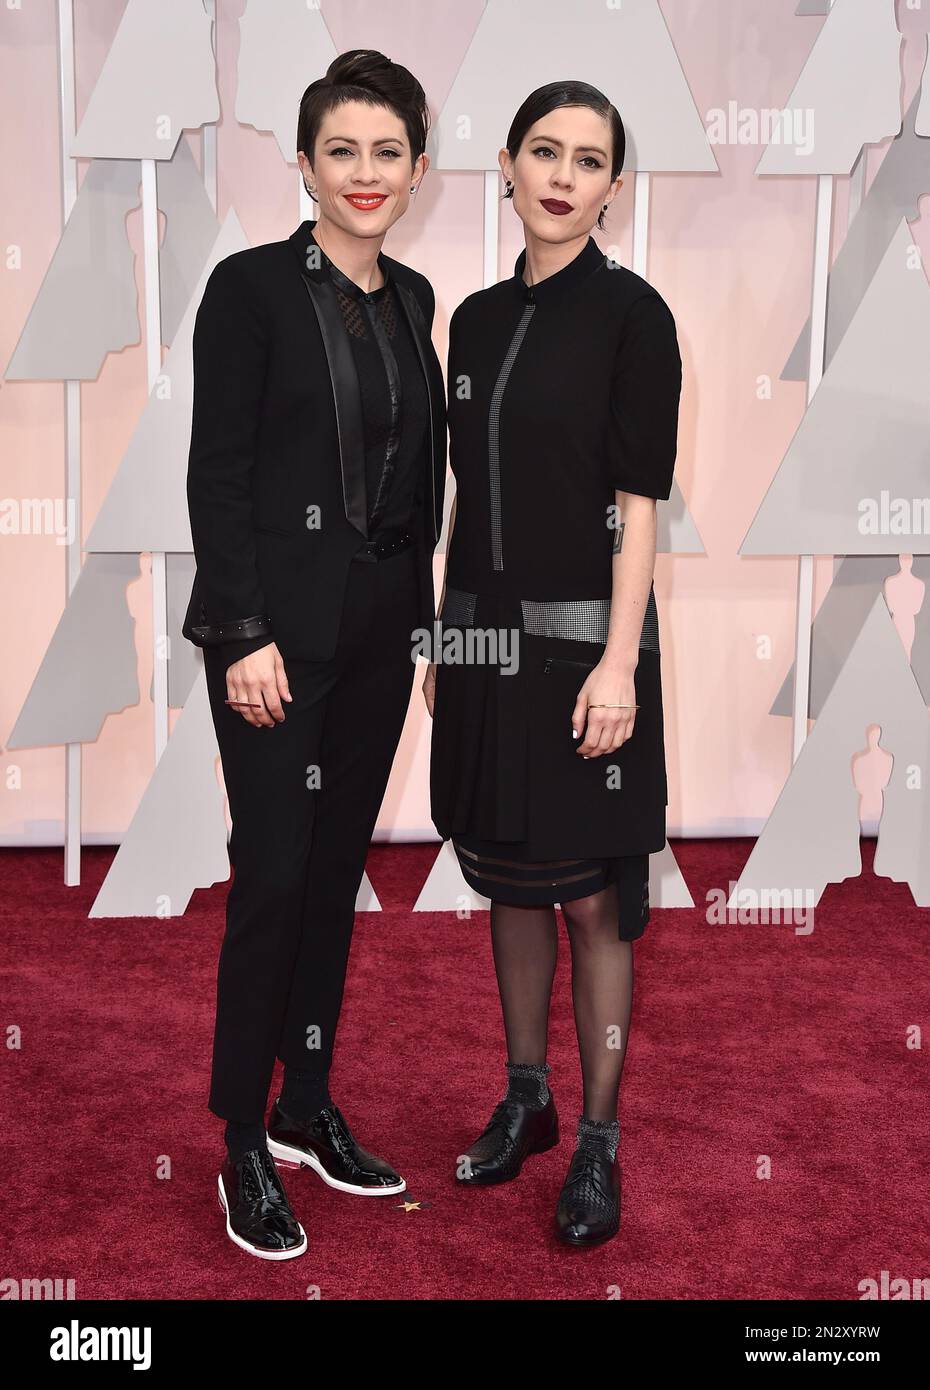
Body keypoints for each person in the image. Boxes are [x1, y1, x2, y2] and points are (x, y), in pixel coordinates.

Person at [182, 50, 447, 1259]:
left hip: (383, 627)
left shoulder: (415, 299)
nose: (365, 172)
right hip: (274, 644)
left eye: (388, 151)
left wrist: (428, 619)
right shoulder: (247, 291)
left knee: (334, 874)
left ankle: (306, 1102)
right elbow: (220, 472)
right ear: (303, 164)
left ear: (419, 169)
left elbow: (416, 483)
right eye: (342, 149)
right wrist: (240, 629)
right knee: (275, 876)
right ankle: (241, 1133)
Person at [426, 82, 682, 1247]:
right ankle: (526, 1098)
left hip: (590, 650)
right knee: (509, 876)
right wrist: (448, 638)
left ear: (614, 188)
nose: (563, 174)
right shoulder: (471, 321)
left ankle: (599, 1139)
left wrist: (619, 663)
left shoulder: (636, 317)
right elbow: (463, 502)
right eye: (545, 151)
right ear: (510, 165)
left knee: (591, 898)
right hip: (483, 642)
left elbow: (639, 508)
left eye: (589, 160)